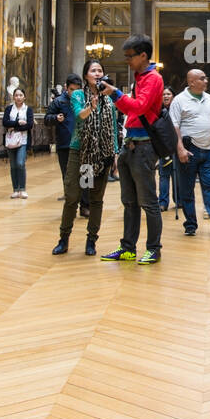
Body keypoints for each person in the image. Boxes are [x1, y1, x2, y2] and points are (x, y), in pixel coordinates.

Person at [99, 34, 165, 264]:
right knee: (129, 201)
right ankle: (128, 248)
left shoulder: (153, 79)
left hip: (145, 147)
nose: (127, 61)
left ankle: (154, 249)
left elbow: (139, 107)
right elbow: (131, 112)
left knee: (148, 202)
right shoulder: (140, 78)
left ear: (143, 55)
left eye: (130, 57)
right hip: (130, 145)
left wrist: (115, 93)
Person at [52, 59, 122, 257]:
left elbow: (114, 129)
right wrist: (91, 106)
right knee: (73, 196)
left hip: (101, 156)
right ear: (85, 75)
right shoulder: (78, 95)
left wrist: (115, 154)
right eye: (93, 70)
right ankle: (64, 238)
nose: (98, 74)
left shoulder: (109, 99)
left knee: (94, 199)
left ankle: (91, 240)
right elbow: (79, 115)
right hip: (81, 153)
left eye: (100, 70)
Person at [169, 69, 210, 236]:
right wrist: (180, 149)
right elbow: (173, 127)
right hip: (188, 150)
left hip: (207, 150)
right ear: (191, 82)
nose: (206, 81)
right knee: (187, 190)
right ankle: (190, 224)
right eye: (202, 78)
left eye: (206, 78)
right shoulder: (179, 101)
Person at [45, 74, 85, 213]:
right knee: (68, 176)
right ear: (66, 87)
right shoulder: (58, 102)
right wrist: (56, 118)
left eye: (77, 90)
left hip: (84, 143)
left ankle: (86, 206)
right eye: (72, 89)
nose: (74, 93)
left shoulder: (85, 100)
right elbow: (47, 119)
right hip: (65, 144)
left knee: (86, 174)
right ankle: (71, 205)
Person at [1, 88, 33, 199]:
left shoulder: (28, 109)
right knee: (13, 165)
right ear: (13, 97)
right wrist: (18, 123)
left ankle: (22, 189)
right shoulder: (9, 109)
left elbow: (29, 125)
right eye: (16, 95)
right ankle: (15, 189)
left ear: (24, 97)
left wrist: (13, 125)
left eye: (20, 95)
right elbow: (5, 122)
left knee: (20, 163)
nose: (18, 97)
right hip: (10, 140)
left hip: (23, 140)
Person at [157, 86, 175, 211]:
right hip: (163, 148)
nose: (166, 96)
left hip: (176, 146)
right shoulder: (158, 110)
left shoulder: (177, 110)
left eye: (168, 94)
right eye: (163, 94)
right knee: (164, 175)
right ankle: (163, 202)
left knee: (177, 175)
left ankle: (178, 200)